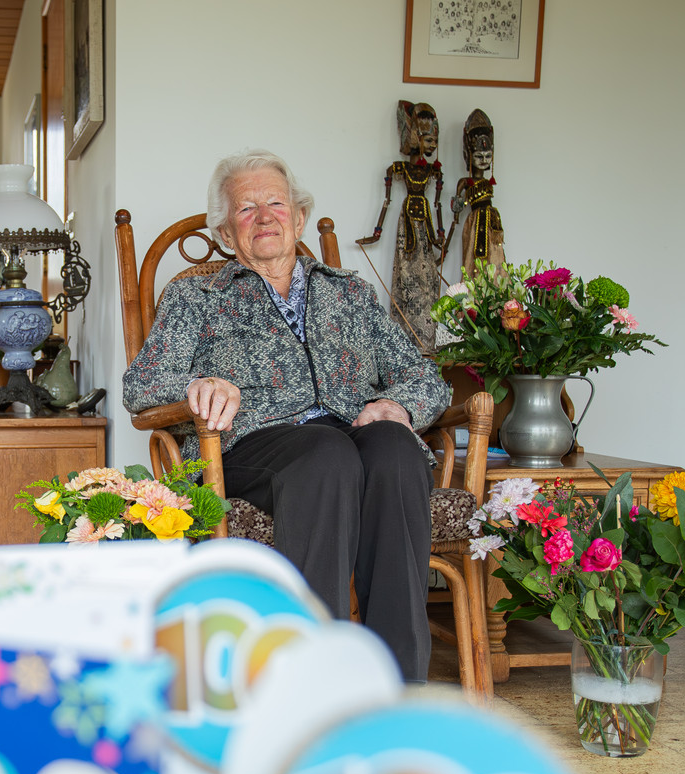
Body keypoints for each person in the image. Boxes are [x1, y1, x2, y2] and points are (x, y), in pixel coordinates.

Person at [122, 150, 450, 682]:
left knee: (392, 449)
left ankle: (396, 684)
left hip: (349, 435)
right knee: (326, 455)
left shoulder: (351, 294)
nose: (265, 216)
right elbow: (141, 386)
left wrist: (401, 405)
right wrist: (196, 385)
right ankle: (310, 683)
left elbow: (425, 377)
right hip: (250, 447)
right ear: (228, 234)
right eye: (246, 209)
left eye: (276, 203)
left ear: (298, 218)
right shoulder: (197, 296)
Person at [358, 101, 446, 354]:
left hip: (425, 224)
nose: (431, 144)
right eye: (426, 137)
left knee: (429, 279)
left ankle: (429, 338)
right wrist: (376, 233)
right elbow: (386, 201)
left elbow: (439, 207)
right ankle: (407, 339)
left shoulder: (433, 172)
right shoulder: (398, 168)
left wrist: (441, 238)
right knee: (406, 275)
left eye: (434, 139)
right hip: (407, 223)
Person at [444, 108, 505, 276]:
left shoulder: (486, 181)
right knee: (472, 262)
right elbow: (456, 215)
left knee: (495, 259)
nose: (484, 160)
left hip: (492, 225)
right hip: (474, 224)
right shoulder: (464, 182)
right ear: (469, 156)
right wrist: (445, 246)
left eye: (487, 156)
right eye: (479, 156)